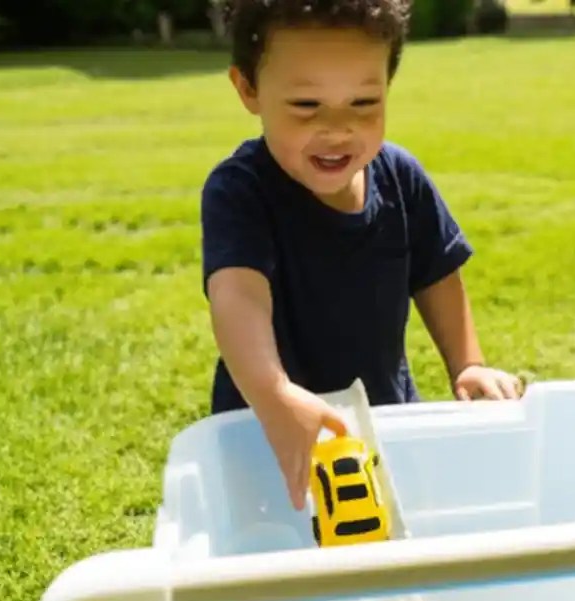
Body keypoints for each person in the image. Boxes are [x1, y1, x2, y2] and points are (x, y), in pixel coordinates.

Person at [200, 0, 522, 512]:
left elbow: (438, 273)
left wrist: (468, 364)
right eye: (307, 105)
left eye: (364, 103)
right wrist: (274, 394)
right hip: (268, 433)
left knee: (387, 550)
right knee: (282, 567)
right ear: (249, 90)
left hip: (382, 423)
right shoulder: (241, 191)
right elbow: (238, 295)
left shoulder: (401, 178)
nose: (337, 128)